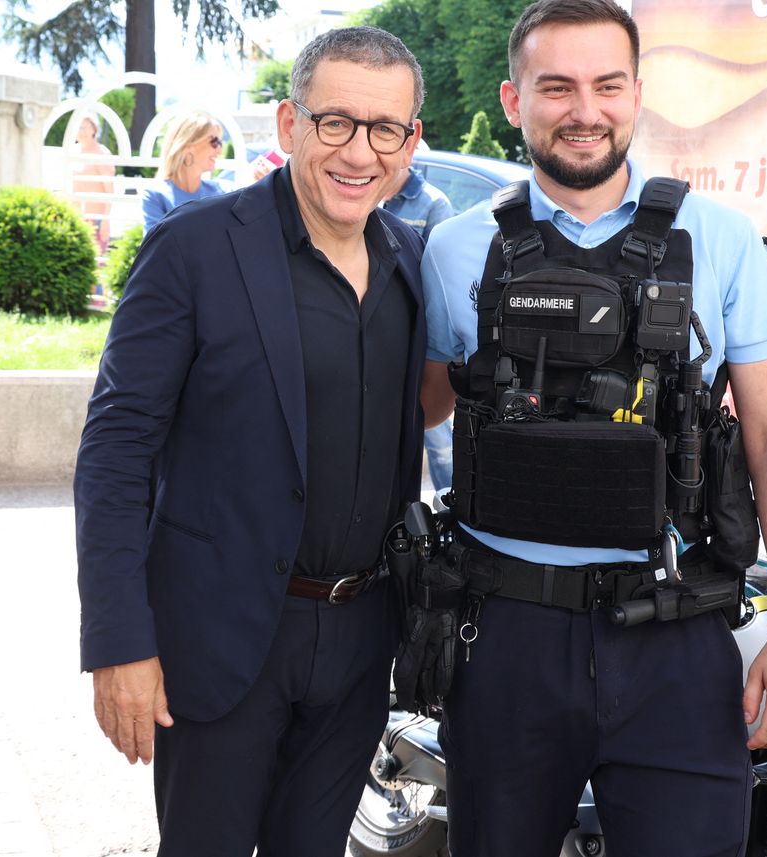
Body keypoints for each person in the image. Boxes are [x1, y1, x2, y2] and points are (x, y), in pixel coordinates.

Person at [418, 2, 767, 855]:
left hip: (673, 639)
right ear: (512, 98)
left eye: (607, 85)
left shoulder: (720, 240)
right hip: (503, 633)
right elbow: (415, 418)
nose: (585, 110)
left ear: (638, 93)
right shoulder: (455, 249)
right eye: (556, 86)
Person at [74, 26, 428, 857]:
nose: (359, 151)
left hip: (358, 639)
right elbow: (115, 452)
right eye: (335, 121)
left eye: (386, 130)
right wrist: (120, 640)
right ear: (289, 125)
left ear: (410, 143)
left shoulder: (410, 259)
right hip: (222, 638)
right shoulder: (193, 250)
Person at [383, 163, 457, 491]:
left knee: (433, 430)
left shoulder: (432, 203)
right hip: (378, 330)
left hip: (418, 332)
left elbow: (440, 276)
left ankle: (447, 501)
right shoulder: (369, 192)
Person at [140, 112, 225, 235]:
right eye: (214, 141)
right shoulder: (156, 196)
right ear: (188, 143)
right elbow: (155, 249)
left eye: (220, 143)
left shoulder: (220, 192)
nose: (219, 150)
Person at [72, 115, 115, 254]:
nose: (81, 131)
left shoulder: (102, 154)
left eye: (85, 127)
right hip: (76, 218)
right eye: (78, 127)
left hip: (96, 220)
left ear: (94, 130)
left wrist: (106, 221)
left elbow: (110, 190)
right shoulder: (73, 152)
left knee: (96, 264)